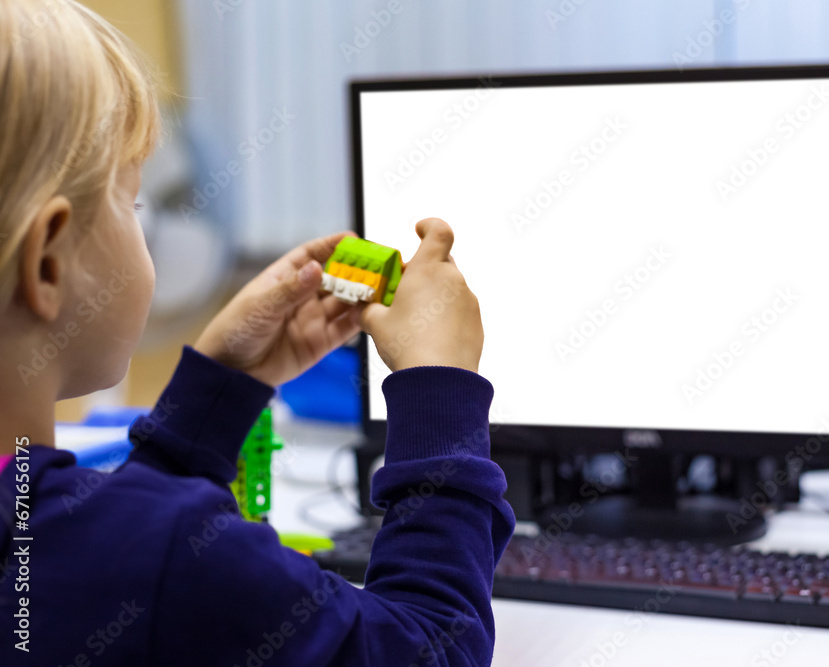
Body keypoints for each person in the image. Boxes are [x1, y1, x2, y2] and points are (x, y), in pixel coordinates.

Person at [0, 1, 515, 664]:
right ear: (48, 260)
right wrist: (440, 393)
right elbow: (431, 647)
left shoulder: (68, 539)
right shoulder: (162, 553)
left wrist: (216, 392)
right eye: (134, 201)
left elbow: (100, 555)